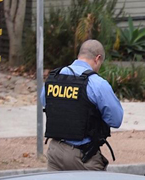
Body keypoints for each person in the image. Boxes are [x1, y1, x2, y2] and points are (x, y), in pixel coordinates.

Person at [43, 39, 124, 171]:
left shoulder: (54, 77)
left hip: (54, 152)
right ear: (97, 58)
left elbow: (46, 103)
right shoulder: (97, 83)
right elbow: (116, 120)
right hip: (83, 156)